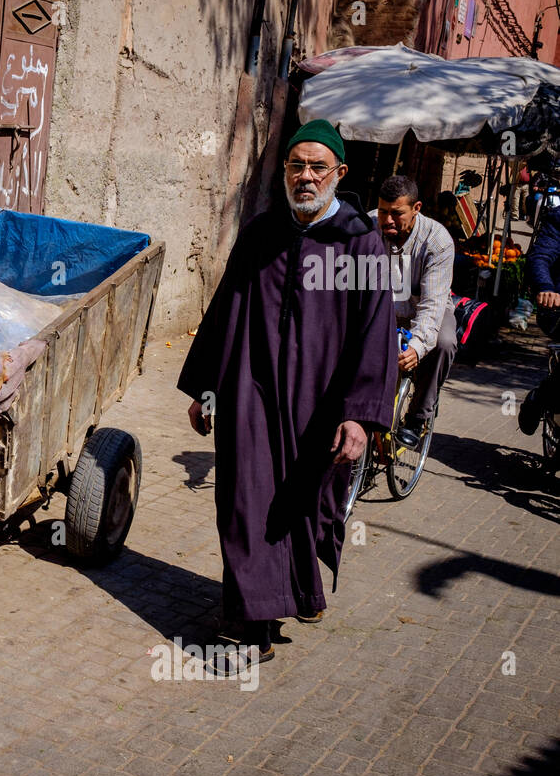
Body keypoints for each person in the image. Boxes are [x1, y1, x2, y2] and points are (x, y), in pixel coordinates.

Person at [178, 119, 397, 665]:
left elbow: (376, 336)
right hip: (249, 393)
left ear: (339, 174)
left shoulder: (359, 247)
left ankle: (299, 591)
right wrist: (205, 387)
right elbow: (223, 311)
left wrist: (359, 416)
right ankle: (255, 625)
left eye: (317, 167)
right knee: (245, 501)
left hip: (320, 403)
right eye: (296, 165)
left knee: (305, 504)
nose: (304, 176)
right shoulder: (260, 233)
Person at [370, 176, 457, 449]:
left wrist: (417, 346)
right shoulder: (368, 226)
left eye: (397, 213)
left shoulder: (437, 241)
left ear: (416, 208)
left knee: (443, 343)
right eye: (383, 211)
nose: (388, 220)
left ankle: (418, 415)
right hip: (383, 308)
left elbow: (432, 306)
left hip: (426, 307)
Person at [518, 209, 560, 435]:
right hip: (557, 307)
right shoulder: (558, 218)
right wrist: (546, 287)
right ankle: (540, 397)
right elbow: (540, 256)